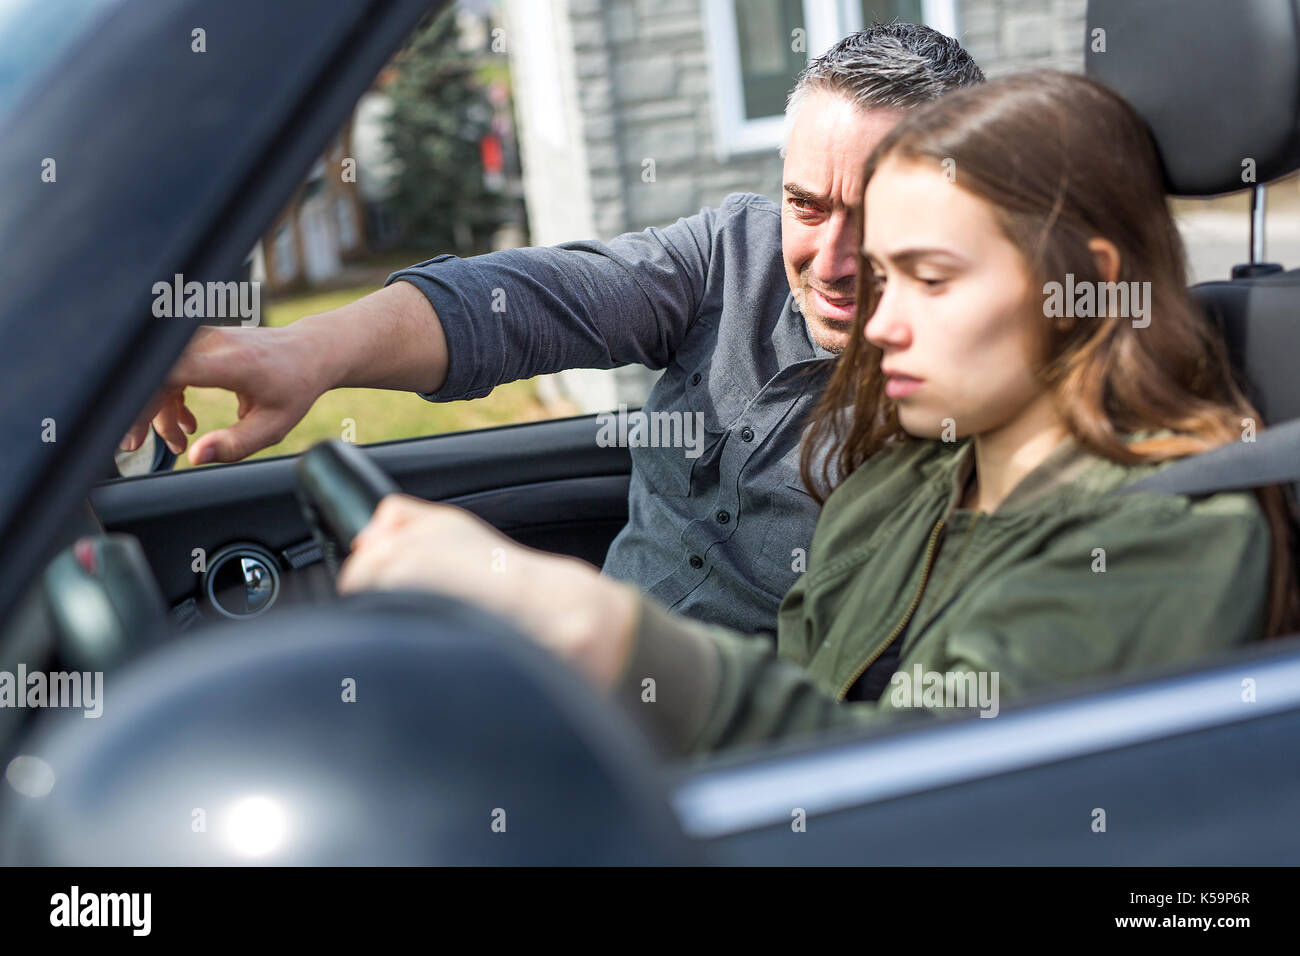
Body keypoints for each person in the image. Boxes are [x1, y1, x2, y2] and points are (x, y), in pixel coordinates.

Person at [334, 70, 1300, 757]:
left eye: (927, 277)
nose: (875, 314)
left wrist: (593, 629)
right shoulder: (903, 478)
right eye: (882, 274)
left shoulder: (1168, 536)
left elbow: (929, 802)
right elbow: (551, 296)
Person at [122, 24, 985, 637]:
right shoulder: (736, 250)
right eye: (806, 203)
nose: (830, 259)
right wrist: (306, 353)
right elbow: (528, 302)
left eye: (871, 217)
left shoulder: (972, 413)